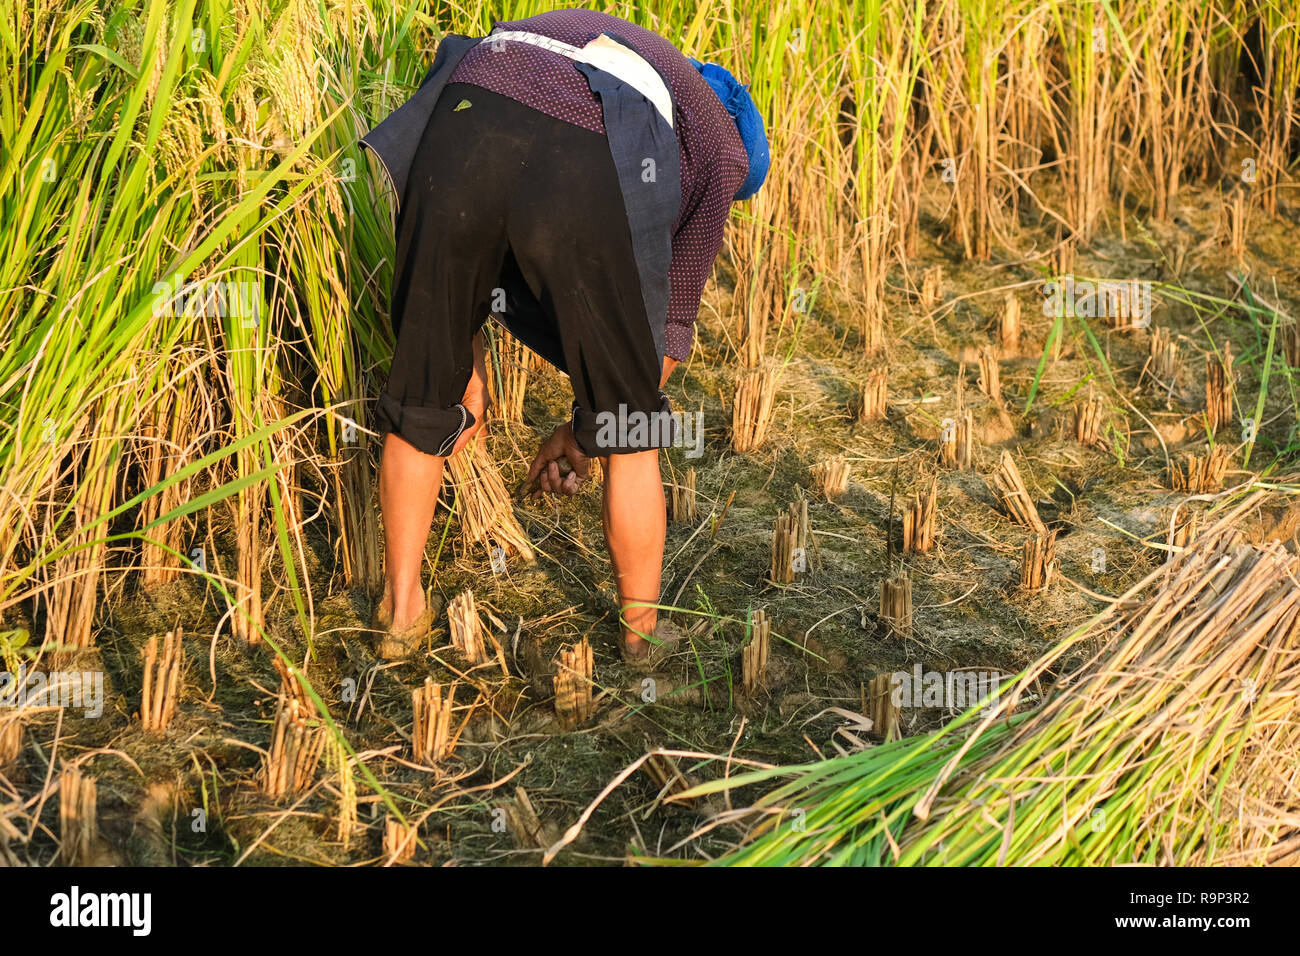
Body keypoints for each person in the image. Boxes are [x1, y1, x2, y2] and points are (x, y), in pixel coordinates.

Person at [360, 8, 769, 663]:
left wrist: (469, 367)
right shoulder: (723, 144)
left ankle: (400, 611)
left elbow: (477, 234)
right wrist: (589, 433)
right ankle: (642, 634)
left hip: (463, 120)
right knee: (634, 430)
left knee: (421, 398)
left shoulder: (622, 43)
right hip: (584, 159)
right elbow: (660, 348)